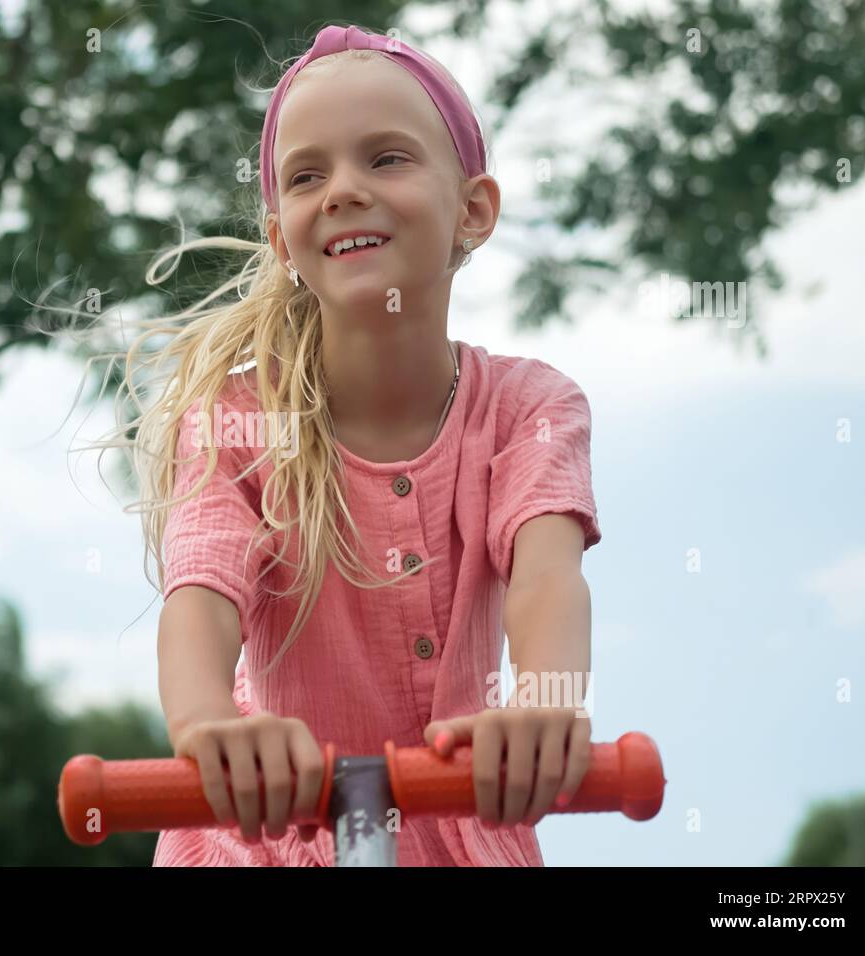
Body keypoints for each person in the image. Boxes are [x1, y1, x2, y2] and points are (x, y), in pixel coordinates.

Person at [94, 23, 603, 865]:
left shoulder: (529, 408)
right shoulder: (238, 423)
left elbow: (547, 577)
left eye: (388, 158)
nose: (342, 190)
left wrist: (547, 706)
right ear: (282, 239)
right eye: (306, 175)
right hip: (263, 839)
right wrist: (208, 726)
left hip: (460, 838)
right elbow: (203, 592)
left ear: (473, 210)